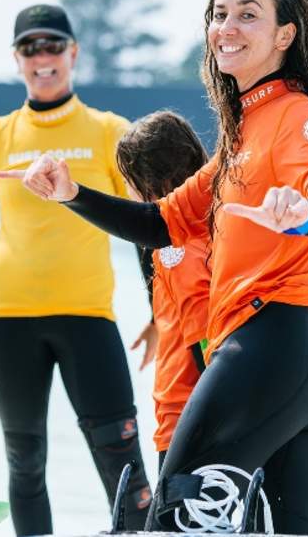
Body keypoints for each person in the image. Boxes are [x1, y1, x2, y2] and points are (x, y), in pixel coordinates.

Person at [0, 0, 308, 534]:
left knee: (173, 516)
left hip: (271, 347)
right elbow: (160, 222)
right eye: (219, 14)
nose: (227, 28)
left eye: (248, 14)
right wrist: (71, 193)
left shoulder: (297, 116)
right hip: (290, 361)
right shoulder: (244, 134)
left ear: (285, 34)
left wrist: (303, 214)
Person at [0, 3, 152, 534]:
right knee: (25, 461)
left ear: (73, 53)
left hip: (88, 316)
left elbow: (143, 224)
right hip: (10, 320)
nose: (43, 58)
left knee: (123, 461)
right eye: (30, 48)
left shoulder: (111, 132)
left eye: (53, 46)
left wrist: (160, 308)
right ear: (17, 59)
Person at [113, 110, 211, 471]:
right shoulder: (205, 228)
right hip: (192, 419)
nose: (125, 191)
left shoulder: (178, 249)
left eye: (128, 179)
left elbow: (206, 345)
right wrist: (157, 320)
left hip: (187, 422)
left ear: (150, 179)